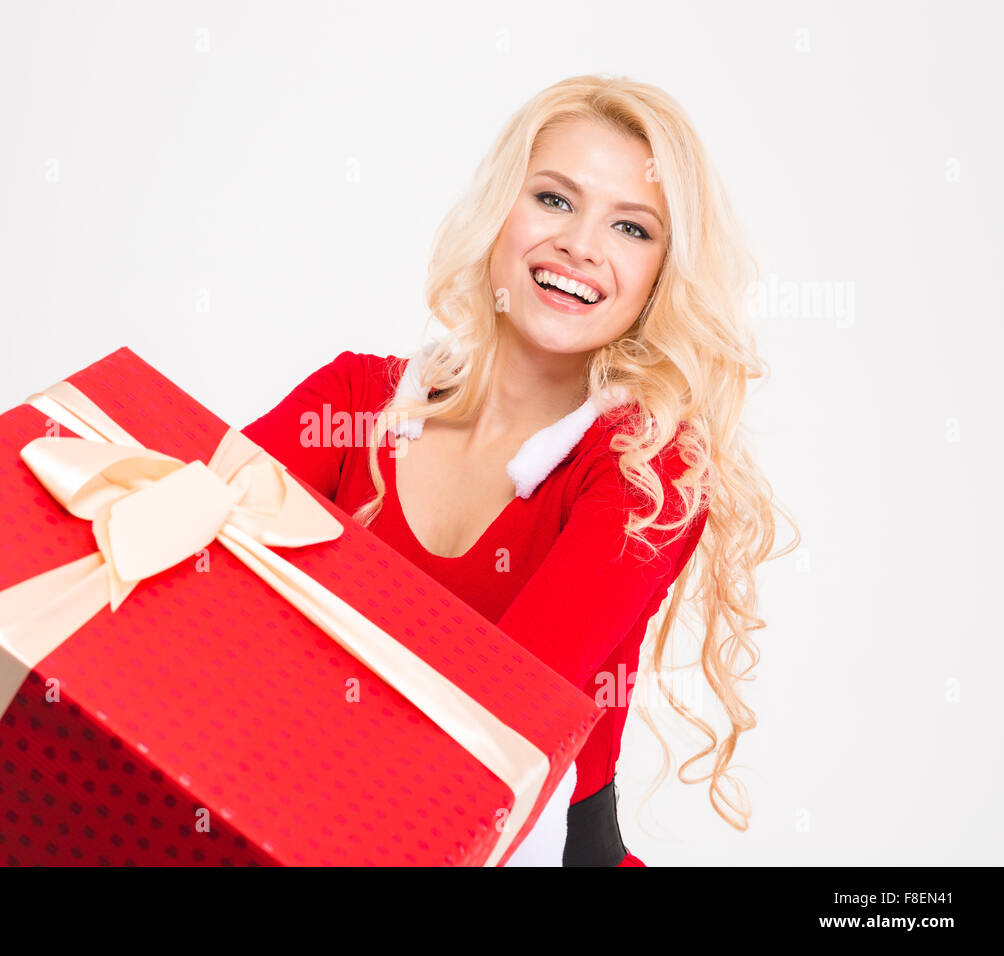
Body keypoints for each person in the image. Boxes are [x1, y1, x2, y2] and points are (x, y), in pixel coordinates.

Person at [241, 75, 798, 866]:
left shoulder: (650, 472)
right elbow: (185, 562)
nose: (582, 245)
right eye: (556, 200)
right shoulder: (355, 401)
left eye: (632, 228)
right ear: (500, 210)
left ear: (659, 278)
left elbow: (498, 730)